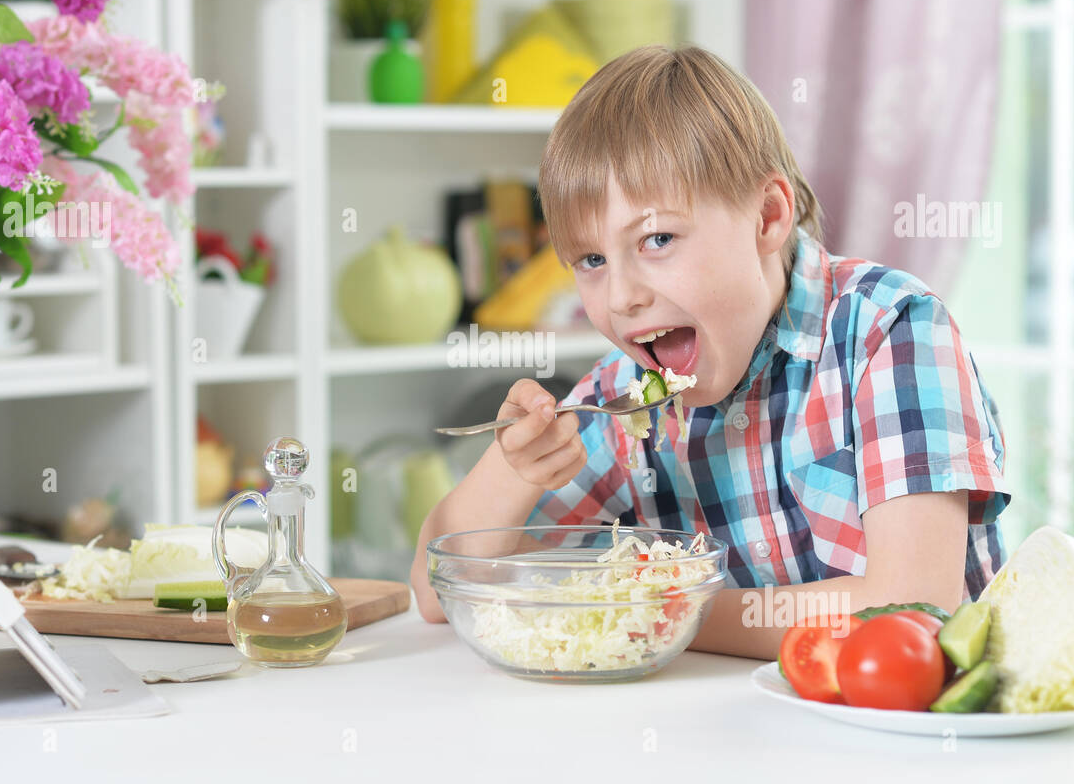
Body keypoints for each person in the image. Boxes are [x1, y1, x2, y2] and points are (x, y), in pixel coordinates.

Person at [409, 45, 1010, 660]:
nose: (621, 297)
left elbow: (912, 607)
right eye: (591, 260)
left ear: (768, 217)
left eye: (658, 239)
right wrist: (514, 467)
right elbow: (437, 591)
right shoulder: (620, 403)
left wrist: (663, 610)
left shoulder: (891, 332)